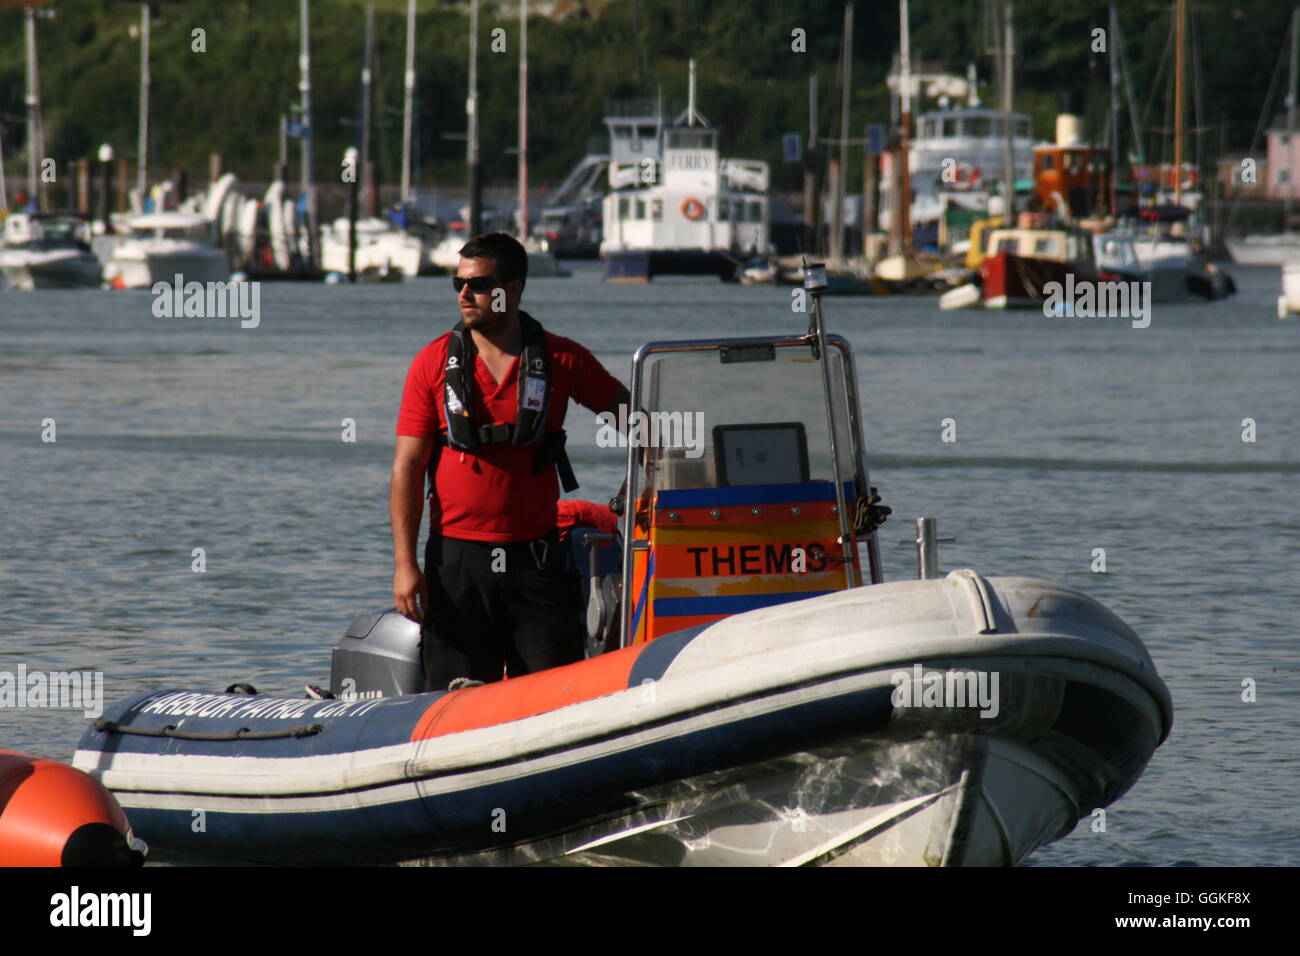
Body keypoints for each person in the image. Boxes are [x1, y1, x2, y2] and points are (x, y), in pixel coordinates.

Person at [390, 232, 629, 691]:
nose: (464, 294)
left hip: (535, 564)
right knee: (453, 702)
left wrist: (628, 491)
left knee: (556, 697)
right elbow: (406, 468)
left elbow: (648, 428)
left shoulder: (562, 359)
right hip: (457, 566)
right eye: (458, 283)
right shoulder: (432, 363)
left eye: (478, 284)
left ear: (513, 289)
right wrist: (404, 563)